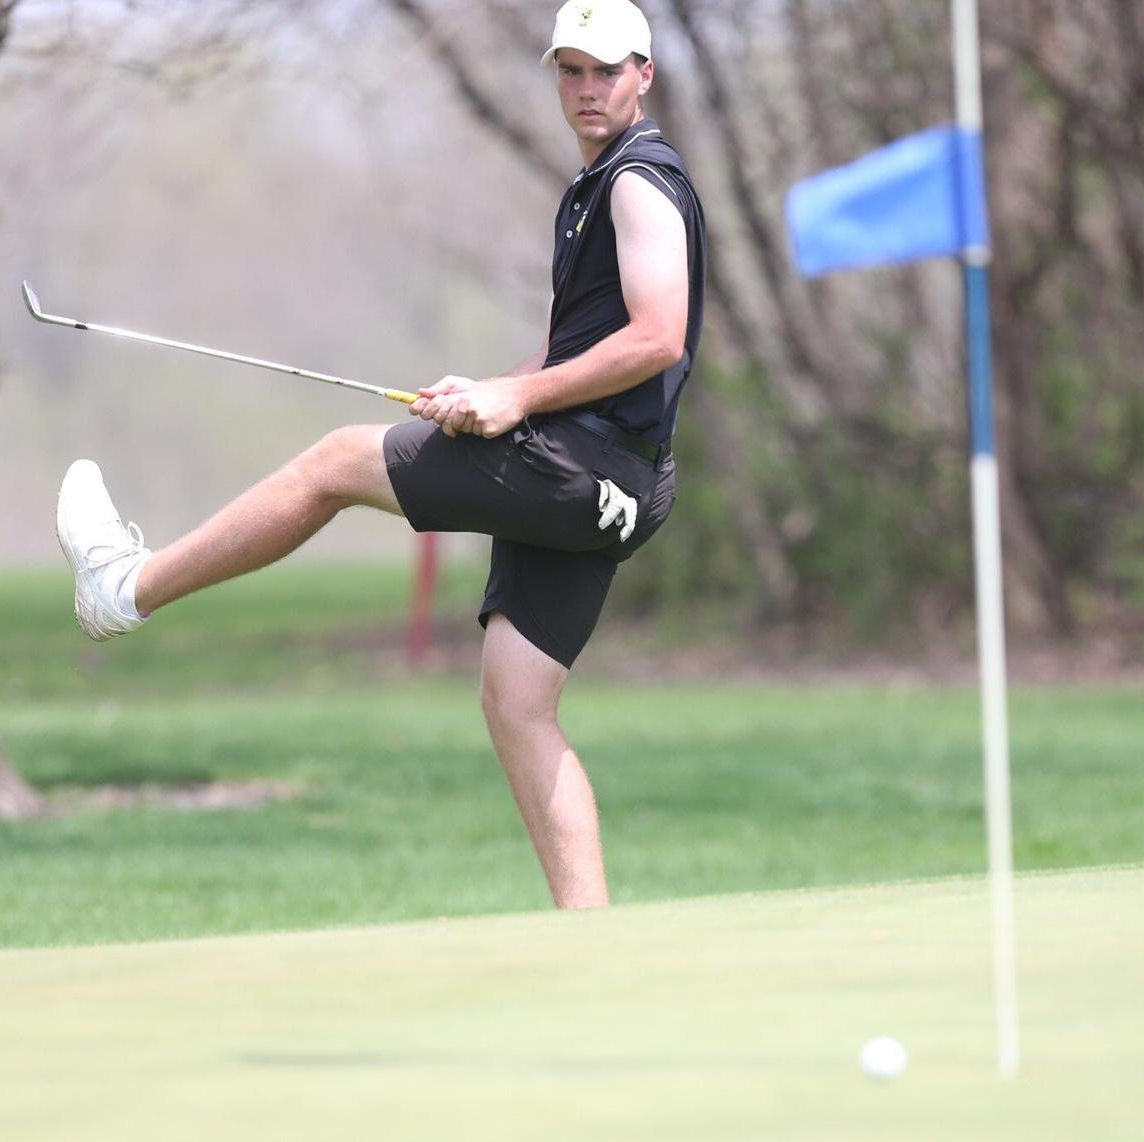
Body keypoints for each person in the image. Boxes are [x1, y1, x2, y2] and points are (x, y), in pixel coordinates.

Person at [55, 0, 706, 910]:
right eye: (571, 69)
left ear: (645, 73)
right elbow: (579, 351)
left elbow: (657, 339)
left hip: (582, 467)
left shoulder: (636, 179)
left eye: (607, 70)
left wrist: (515, 399)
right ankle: (590, 942)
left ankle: (124, 589)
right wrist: (485, 389)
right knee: (518, 706)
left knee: (330, 464)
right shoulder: (595, 185)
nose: (588, 89)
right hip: (619, 483)